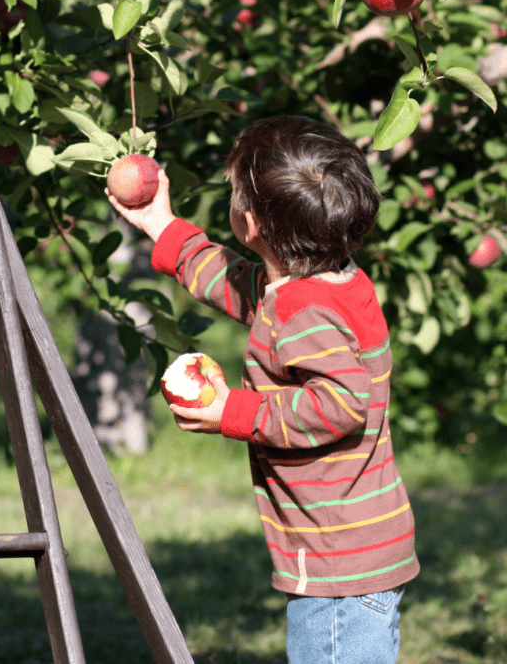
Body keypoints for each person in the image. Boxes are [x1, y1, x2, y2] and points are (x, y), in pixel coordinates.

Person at [106, 115, 419, 664]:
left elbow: (341, 404)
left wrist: (235, 410)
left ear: (249, 223)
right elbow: (237, 284)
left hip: (338, 566)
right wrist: (163, 226)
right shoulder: (325, 285)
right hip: (355, 551)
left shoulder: (304, 312)